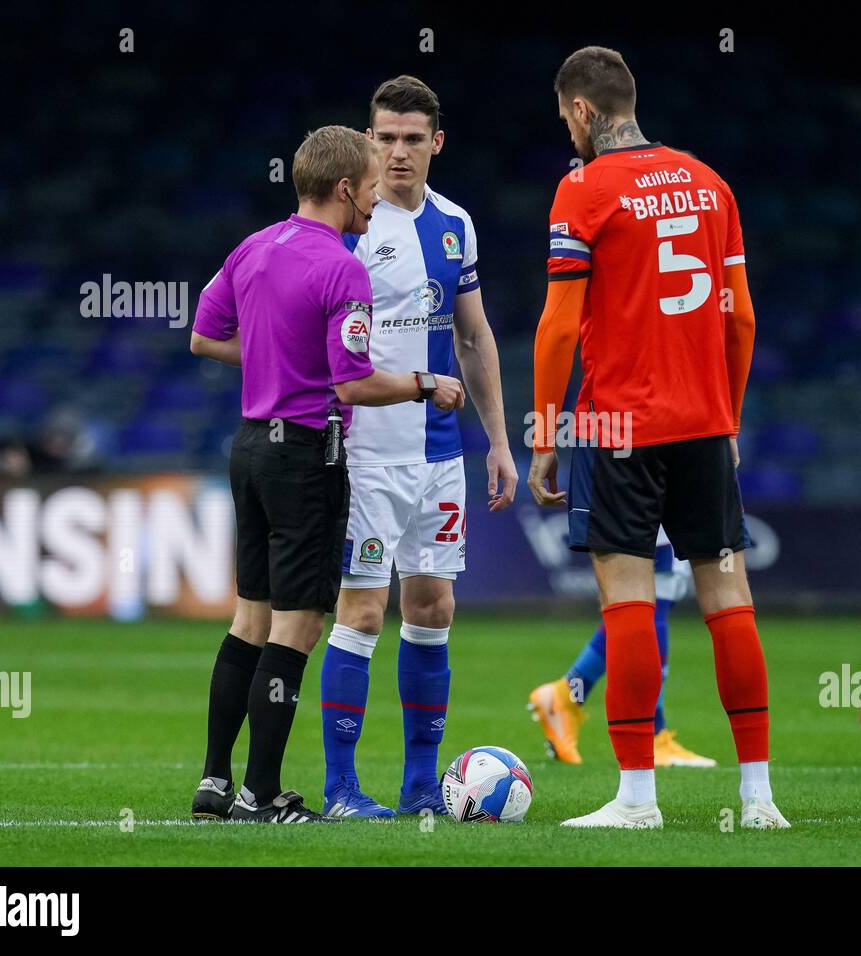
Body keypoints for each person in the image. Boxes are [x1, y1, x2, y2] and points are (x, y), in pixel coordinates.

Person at [526, 46, 788, 829]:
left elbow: (560, 324)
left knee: (629, 604)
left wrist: (545, 431)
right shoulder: (711, 184)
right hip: (706, 423)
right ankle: (759, 797)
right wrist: (729, 416)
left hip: (618, 425)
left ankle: (637, 800)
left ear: (581, 110)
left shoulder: (583, 187)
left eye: (564, 118)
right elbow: (741, 317)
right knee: (729, 603)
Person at [188, 125, 462, 823]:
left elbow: (203, 334)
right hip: (305, 457)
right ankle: (264, 793)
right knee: (298, 626)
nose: (375, 203)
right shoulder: (343, 266)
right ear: (345, 188)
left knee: (248, 617)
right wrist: (426, 382)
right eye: (370, 189)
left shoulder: (256, 245)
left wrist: (277, 363)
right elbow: (353, 384)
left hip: (248, 448)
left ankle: (216, 782)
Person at [318, 76, 515, 818]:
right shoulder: (351, 226)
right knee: (363, 613)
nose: (396, 152)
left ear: (437, 142)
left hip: (440, 452)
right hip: (368, 452)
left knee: (433, 607)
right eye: (384, 138)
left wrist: (498, 441)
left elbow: (472, 334)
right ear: (368, 141)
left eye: (410, 139)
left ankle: (418, 788)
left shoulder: (456, 224)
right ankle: (340, 789)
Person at [527, 530, 717, 768]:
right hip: (650, 502)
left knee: (649, 599)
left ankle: (568, 694)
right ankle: (654, 733)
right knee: (652, 595)